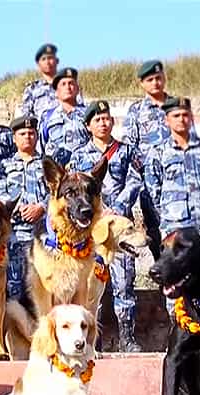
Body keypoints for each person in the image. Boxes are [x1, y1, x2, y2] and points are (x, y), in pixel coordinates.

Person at [66, 100, 142, 352]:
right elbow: (76, 193)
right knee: (89, 288)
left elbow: (134, 180)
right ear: (88, 126)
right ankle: (92, 341)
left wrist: (116, 207)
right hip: (91, 230)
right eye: (97, 120)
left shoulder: (124, 151)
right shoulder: (78, 156)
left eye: (107, 118)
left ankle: (127, 339)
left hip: (119, 231)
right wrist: (99, 211)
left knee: (123, 286)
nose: (103, 123)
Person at [143, 97, 200, 312]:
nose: (182, 120)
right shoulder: (158, 152)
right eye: (176, 116)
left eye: (185, 115)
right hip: (174, 227)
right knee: (173, 275)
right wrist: (169, 213)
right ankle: (178, 328)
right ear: (167, 120)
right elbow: (153, 188)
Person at [123, 59, 172, 259]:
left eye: (158, 78)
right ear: (142, 83)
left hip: (175, 180)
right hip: (149, 184)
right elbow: (129, 146)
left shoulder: (176, 106)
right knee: (155, 228)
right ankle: (163, 272)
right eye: (150, 80)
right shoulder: (136, 111)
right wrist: (144, 170)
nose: (155, 83)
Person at [0, 116, 49, 299]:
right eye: (22, 133)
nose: (28, 137)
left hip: (41, 235)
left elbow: (59, 194)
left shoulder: (48, 164)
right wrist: (14, 208)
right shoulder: (4, 166)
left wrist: (41, 207)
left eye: (31, 133)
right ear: (14, 138)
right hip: (13, 235)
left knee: (42, 288)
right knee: (13, 288)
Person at [38, 67, 89, 167]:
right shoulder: (47, 116)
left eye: (71, 83)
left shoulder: (88, 113)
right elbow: (41, 148)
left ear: (77, 89)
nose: (68, 87)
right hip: (57, 175)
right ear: (56, 92)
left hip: (83, 173)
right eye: (63, 84)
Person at [20, 43, 84, 119]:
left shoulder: (69, 84)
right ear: (38, 64)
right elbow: (26, 115)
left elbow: (80, 107)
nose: (47, 62)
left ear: (57, 61)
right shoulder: (32, 88)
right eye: (43, 59)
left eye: (50, 58)